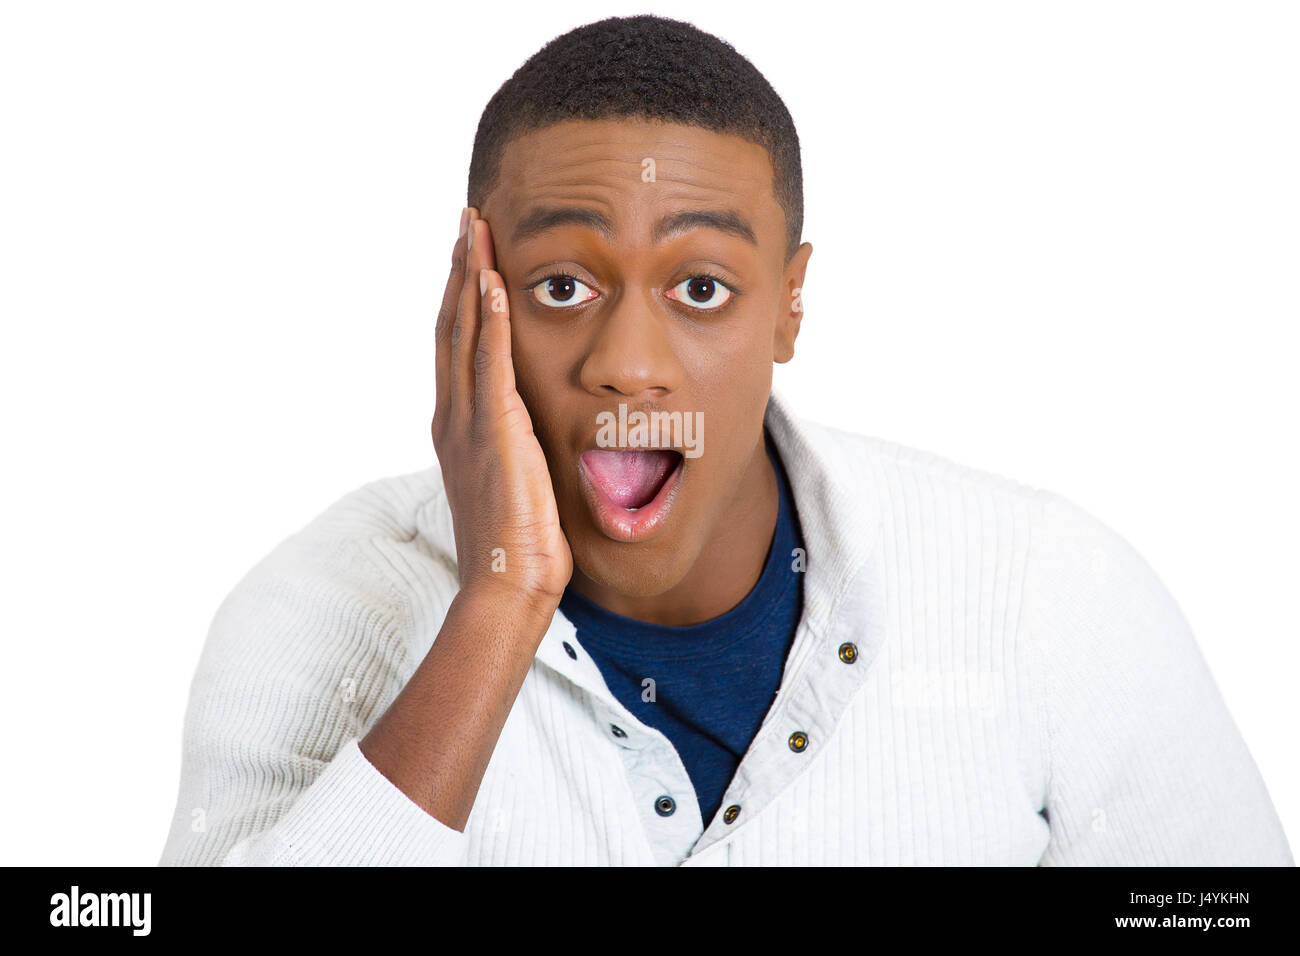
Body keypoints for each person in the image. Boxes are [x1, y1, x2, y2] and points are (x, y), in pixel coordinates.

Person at [159, 14, 1293, 866]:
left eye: (701, 285)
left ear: (790, 303)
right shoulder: (316, 612)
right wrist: (498, 604)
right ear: (475, 294)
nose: (630, 360)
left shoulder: (1045, 592)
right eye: (560, 284)